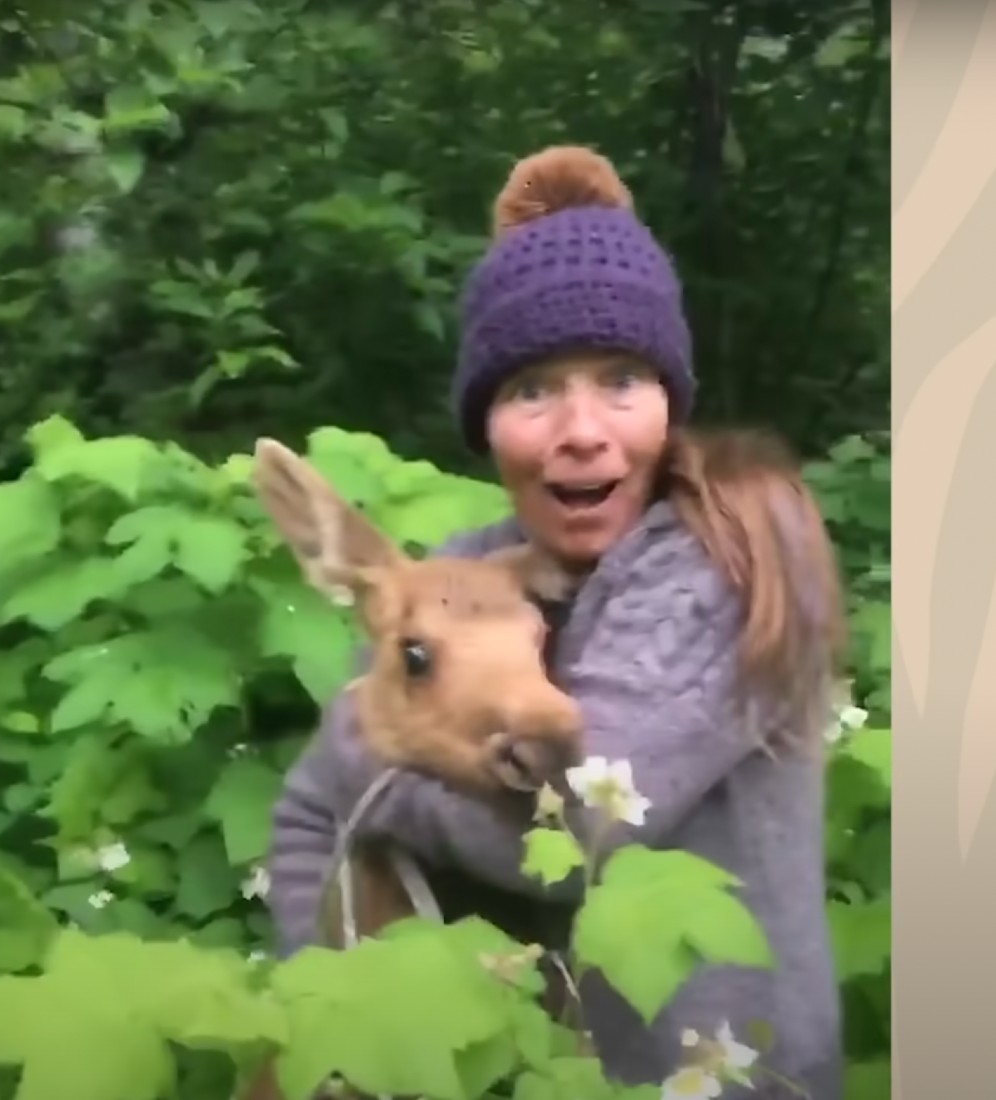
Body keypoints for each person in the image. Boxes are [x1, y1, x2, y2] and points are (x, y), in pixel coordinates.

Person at [265, 145, 846, 1098]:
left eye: (621, 377)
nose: (581, 428)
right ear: (486, 420)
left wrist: (361, 740)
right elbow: (304, 817)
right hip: (528, 1067)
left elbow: (568, 838)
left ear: (670, 400)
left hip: (715, 1074)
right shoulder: (477, 561)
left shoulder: (727, 553)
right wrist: (327, 1006)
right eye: (532, 388)